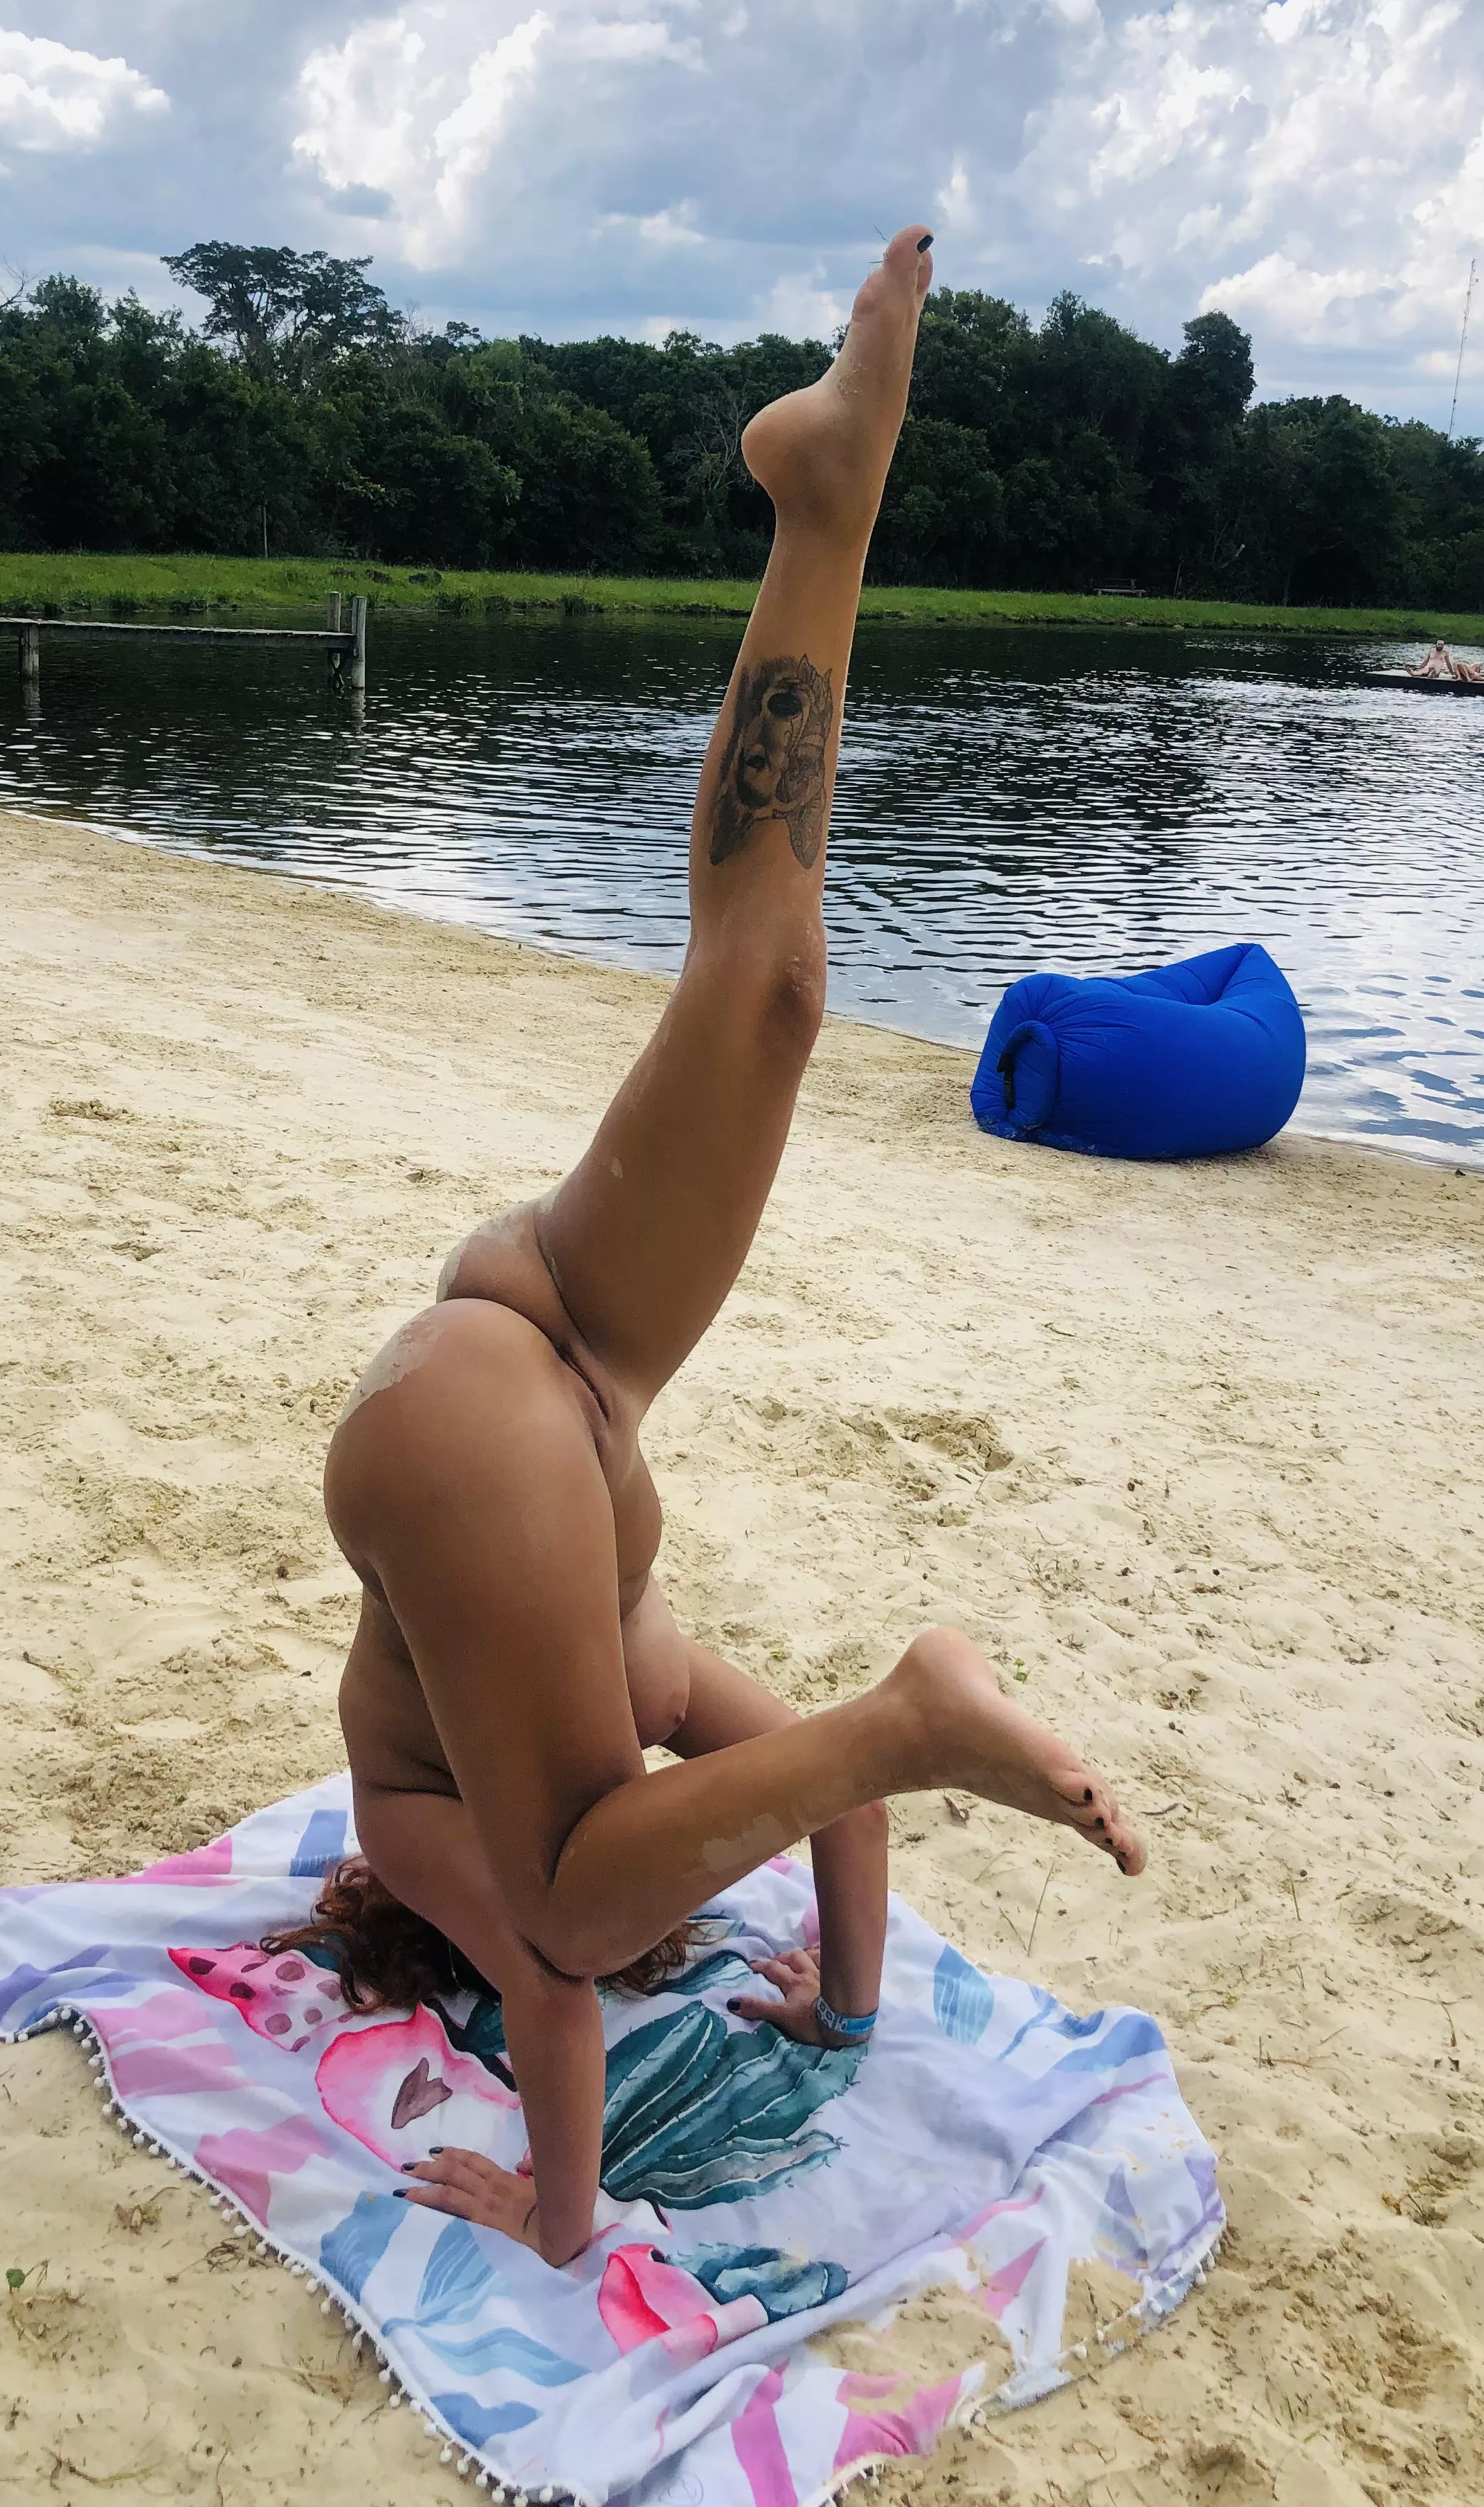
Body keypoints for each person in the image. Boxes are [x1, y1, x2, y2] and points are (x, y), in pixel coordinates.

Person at [313, 226, 1142, 2268]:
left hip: (469, 1425)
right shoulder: (644, 1679)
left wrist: (555, 2211)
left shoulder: (410, 1830)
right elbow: (814, 1803)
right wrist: (846, 1998)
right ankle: (824, 508)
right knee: (770, 992)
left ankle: (920, 1696)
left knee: (581, 1882)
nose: (708, 1910)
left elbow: (553, 1971)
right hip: (551, 1366)